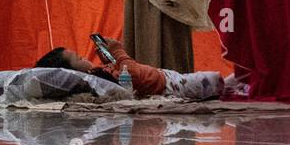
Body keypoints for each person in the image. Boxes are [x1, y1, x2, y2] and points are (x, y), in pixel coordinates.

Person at [35, 41, 223, 101]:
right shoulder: (98, 81)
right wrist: (118, 51)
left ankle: (229, 86)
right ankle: (229, 87)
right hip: (169, 86)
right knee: (211, 80)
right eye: (78, 59)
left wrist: (109, 60)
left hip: (166, 77)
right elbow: (130, 76)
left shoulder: (99, 75)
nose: (84, 57)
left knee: (202, 81)